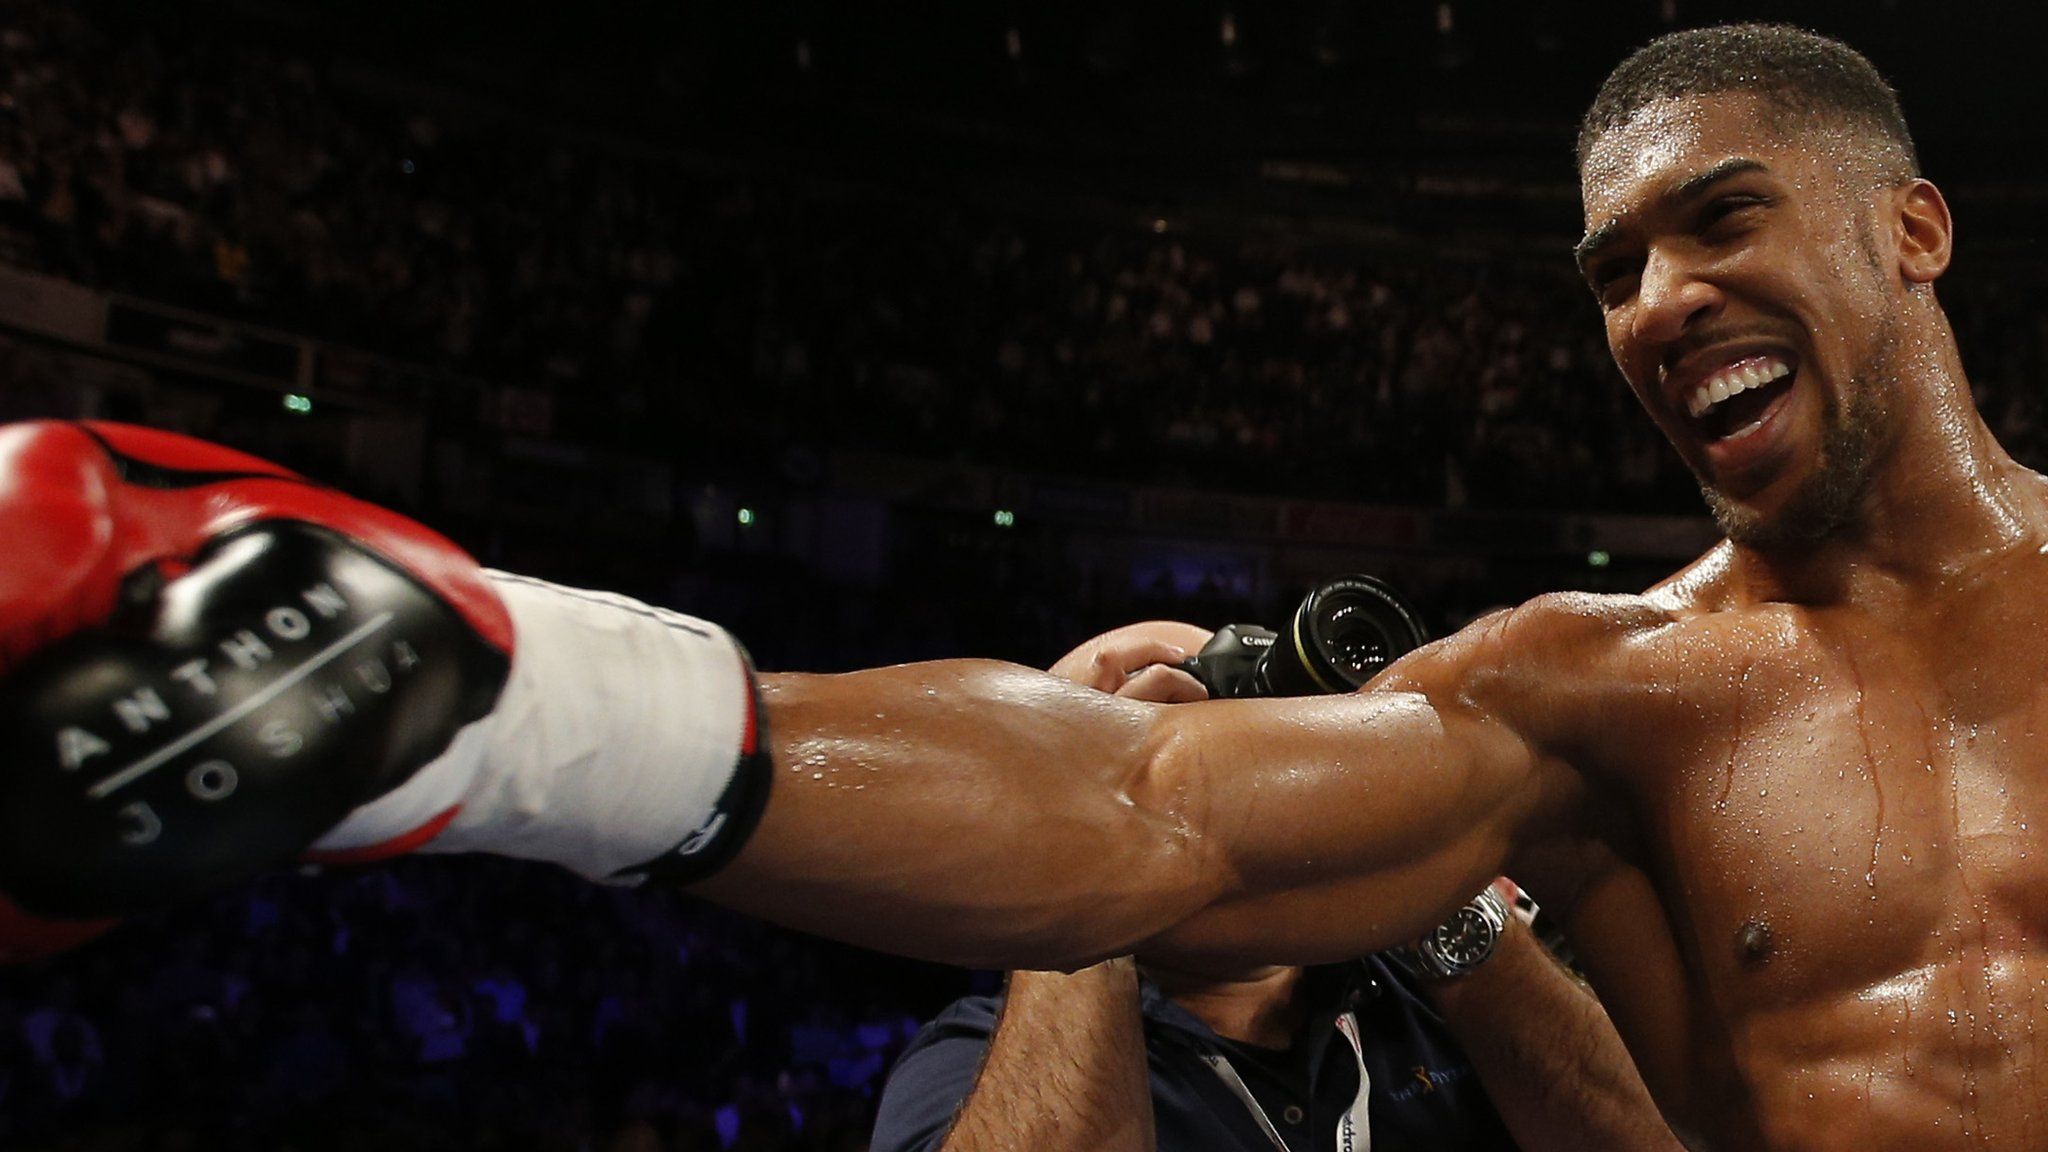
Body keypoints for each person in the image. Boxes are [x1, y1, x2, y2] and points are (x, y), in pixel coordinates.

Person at [0, 21, 2020, 1151]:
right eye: (1609, 271)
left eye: (1717, 220)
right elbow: (1134, 806)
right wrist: (497, 701)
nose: (1656, 301)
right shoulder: (1604, 687)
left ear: (1910, 229)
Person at [869, 623, 1679, 1152]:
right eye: (1160, 766)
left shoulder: (1436, 999)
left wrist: (1420, 856)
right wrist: (1076, 863)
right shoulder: (978, 1058)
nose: (1218, 794)